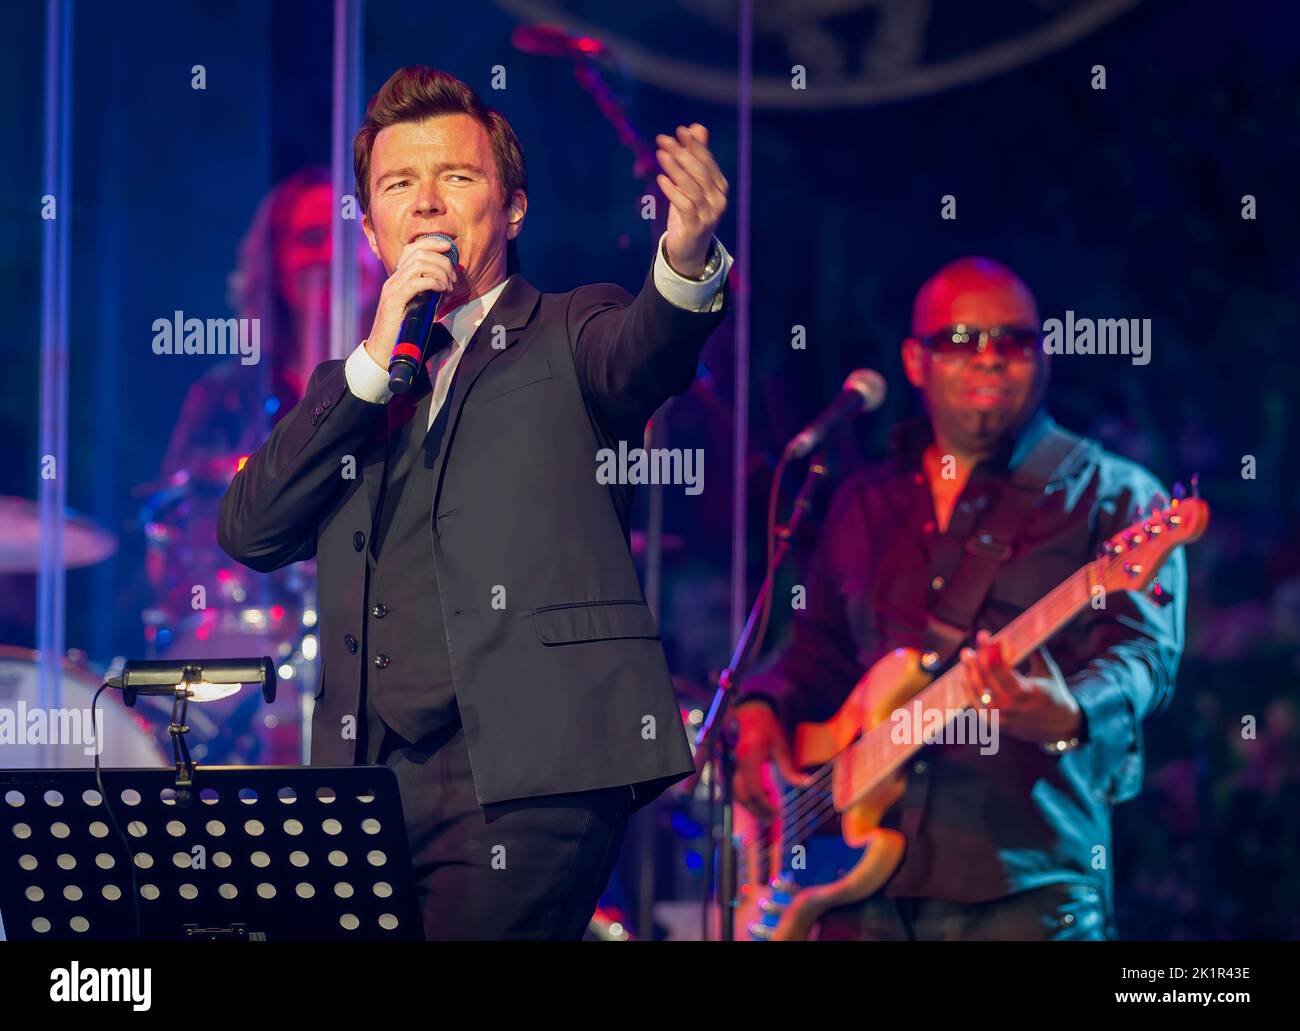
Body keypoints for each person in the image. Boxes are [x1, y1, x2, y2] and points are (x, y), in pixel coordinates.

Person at [218, 66, 731, 939]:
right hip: (364, 782)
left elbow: (649, 348)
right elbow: (251, 529)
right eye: (396, 186)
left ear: (513, 209)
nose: (425, 203)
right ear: (373, 228)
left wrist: (684, 263)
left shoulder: (572, 330)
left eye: (455, 178)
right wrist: (374, 364)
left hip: (530, 771)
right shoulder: (353, 388)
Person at [733, 256, 1187, 940]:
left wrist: (1066, 711)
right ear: (915, 361)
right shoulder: (865, 501)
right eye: (960, 341)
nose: (989, 360)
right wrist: (765, 707)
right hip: (853, 898)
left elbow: (1143, 661)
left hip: (1019, 884)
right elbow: (814, 650)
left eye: (1014, 341)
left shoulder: (1115, 496)